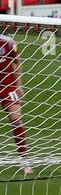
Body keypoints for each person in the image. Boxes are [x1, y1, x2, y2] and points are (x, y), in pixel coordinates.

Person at [0, 34, 31, 173]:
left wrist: (19, 86)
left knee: (16, 120)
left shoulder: (7, 42)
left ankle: (25, 162)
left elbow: (17, 62)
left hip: (8, 86)